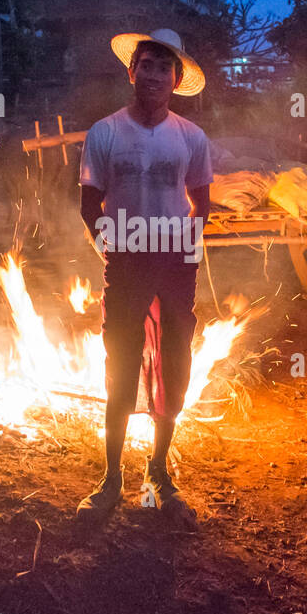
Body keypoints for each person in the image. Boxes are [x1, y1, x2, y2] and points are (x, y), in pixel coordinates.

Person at [76, 28, 211, 527]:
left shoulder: (191, 138)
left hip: (175, 262)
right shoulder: (104, 132)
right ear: (131, 72)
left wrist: (188, 246)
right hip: (127, 260)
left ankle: (159, 471)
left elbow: (203, 200)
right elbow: (90, 204)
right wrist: (108, 245)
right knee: (121, 362)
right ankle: (111, 480)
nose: (154, 75)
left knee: (174, 361)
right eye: (146, 65)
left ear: (176, 79)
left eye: (164, 68)